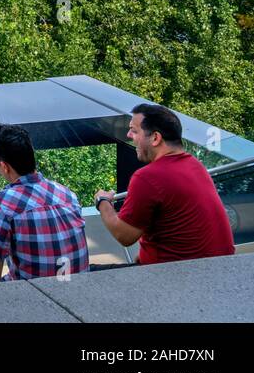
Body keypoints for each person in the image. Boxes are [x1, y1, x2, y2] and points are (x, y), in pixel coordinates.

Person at [94, 103, 234, 265]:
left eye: (134, 130)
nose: (128, 135)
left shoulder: (148, 177)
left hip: (175, 277)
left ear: (155, 138)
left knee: (85, 273)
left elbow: (124, 235)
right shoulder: (195, 165)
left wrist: (103, 202)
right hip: (218, 269)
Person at [0, 121, 89, 282]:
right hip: (78, 288)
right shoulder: (66, 194)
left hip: (35, 296)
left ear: (4, 166)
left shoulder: (1, 204)